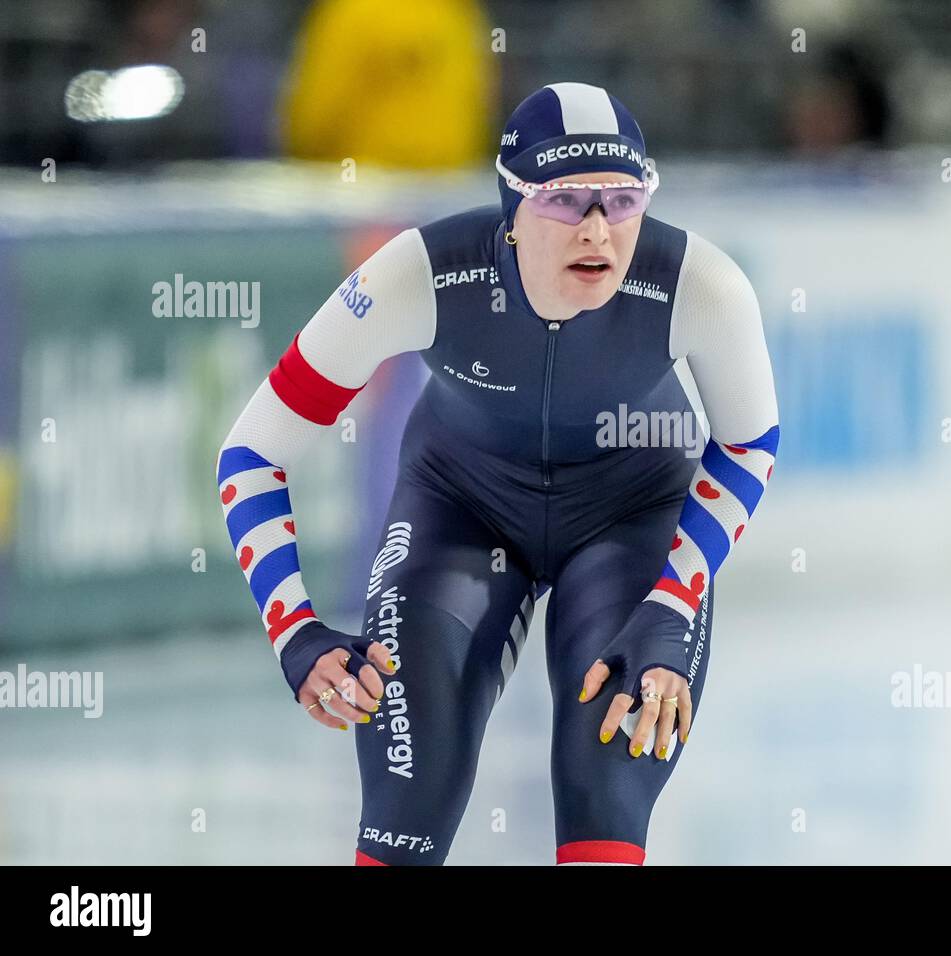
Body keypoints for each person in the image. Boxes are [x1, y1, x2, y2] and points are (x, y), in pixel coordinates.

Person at [215, 82, 779, 865]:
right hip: (459, 512)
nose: (597, 229)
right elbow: (253, 451)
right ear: (511, 207)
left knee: (605, 803)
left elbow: (749, 444)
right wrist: (294, 630)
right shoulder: (417, 274)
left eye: (622, 201)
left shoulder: (700, 284)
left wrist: (673, 602)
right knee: (403, 814)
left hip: (633, 522)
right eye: (564, 200)